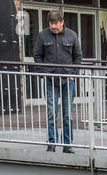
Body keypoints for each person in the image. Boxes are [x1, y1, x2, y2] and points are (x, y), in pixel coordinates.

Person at [33, 10, 83, 153]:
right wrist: (42, 73)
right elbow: (37, 56)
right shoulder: (43, 35)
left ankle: (67, 145)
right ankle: (52, 144)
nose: (53, 26)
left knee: (67, 115)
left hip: (68, 80)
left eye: (56, 23)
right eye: (51, 23)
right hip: (50, 79)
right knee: (51, 113)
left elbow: (78, 57)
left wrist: (74, 75)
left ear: (62, 21)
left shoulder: (72, 35)